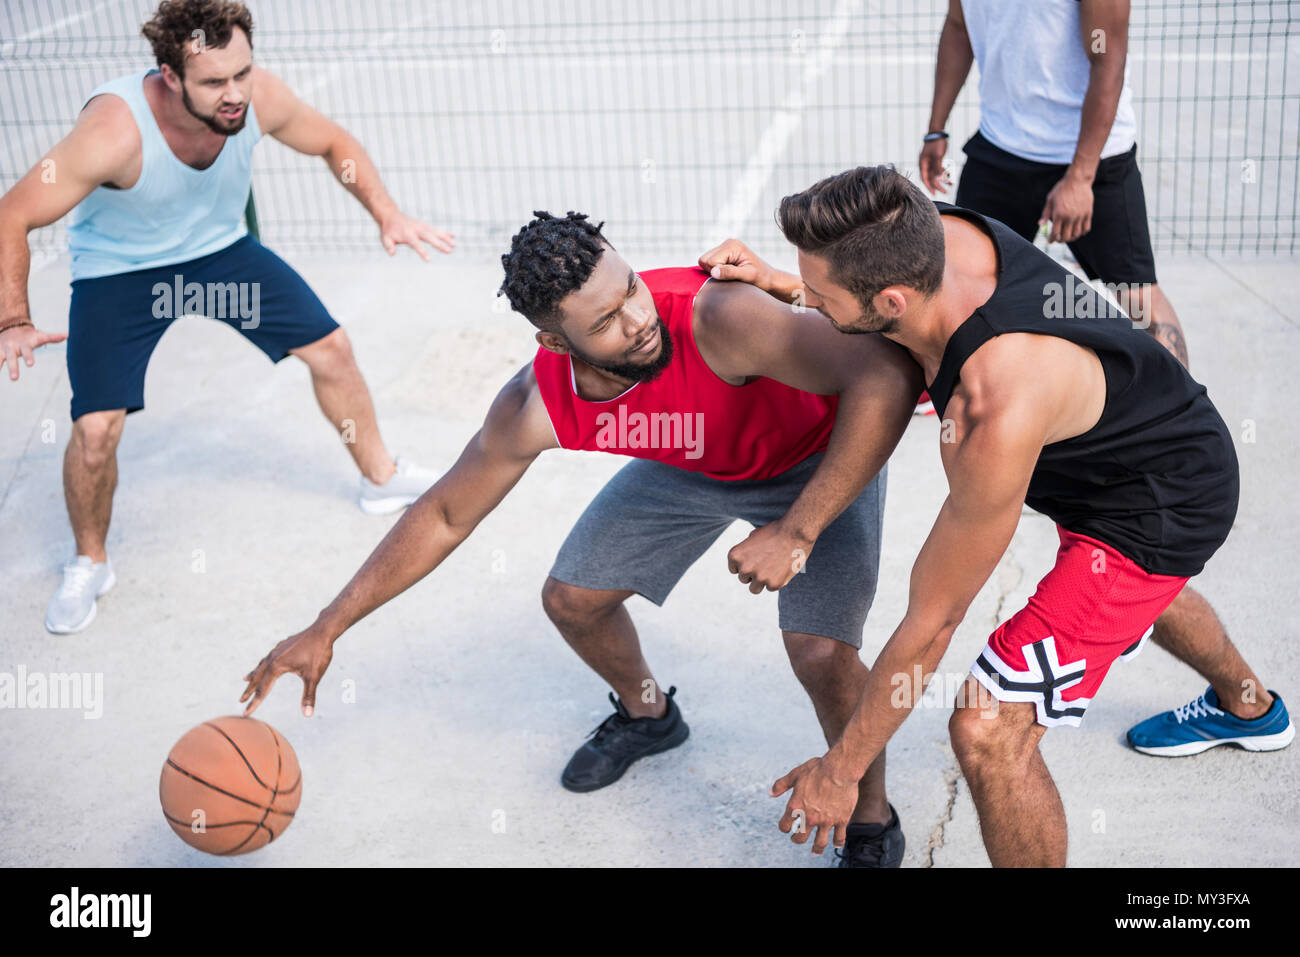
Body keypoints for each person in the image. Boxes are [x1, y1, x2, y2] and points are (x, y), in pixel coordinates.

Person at [240, 210, 924, 867]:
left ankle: (869, 815)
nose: (639, 319)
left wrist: (799, 528)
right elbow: (446, 513)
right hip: (693, 458)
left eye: (630, 289)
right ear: (557, 344)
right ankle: (649, 713)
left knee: (818, 650)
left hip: (818, 458)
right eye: (607, 321)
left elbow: (886, 378)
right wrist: (328, 626)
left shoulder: (718, 317)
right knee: (572, 599)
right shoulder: (536, 404)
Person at [715, 166, 1290, 865]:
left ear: (891, 299)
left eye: (824, 299)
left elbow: (933, 621)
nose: (814, 309)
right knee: (1134, 593)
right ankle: (1249, 705)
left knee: (988, 728)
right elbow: (873, 303)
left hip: (1158, 507)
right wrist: (786, 283)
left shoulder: (989, 407)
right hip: (1147, 436)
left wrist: (840, 772)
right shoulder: (930, 231)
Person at [0, 1, 450, 634]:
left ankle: (380, 477)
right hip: (120, 273)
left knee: (332, 348)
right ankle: (90, 561)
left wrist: (386, 212)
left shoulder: (255, 95)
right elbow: (12, 213)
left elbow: (334, 143)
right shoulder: (113, 131)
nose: (235, 93)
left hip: (218, 254)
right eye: (214, 82)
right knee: (96, 429)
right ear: (167, 75)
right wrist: (12, 318)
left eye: (242, 72)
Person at [918, 0, 1190, 367]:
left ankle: (1183, 421)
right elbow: (957, 28)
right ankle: (975, 405)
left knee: (1137, 298)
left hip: (1091, 157)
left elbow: (1108, 59)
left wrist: (1080, 178)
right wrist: (937, 127)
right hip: (1000, 147)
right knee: (958, 288)